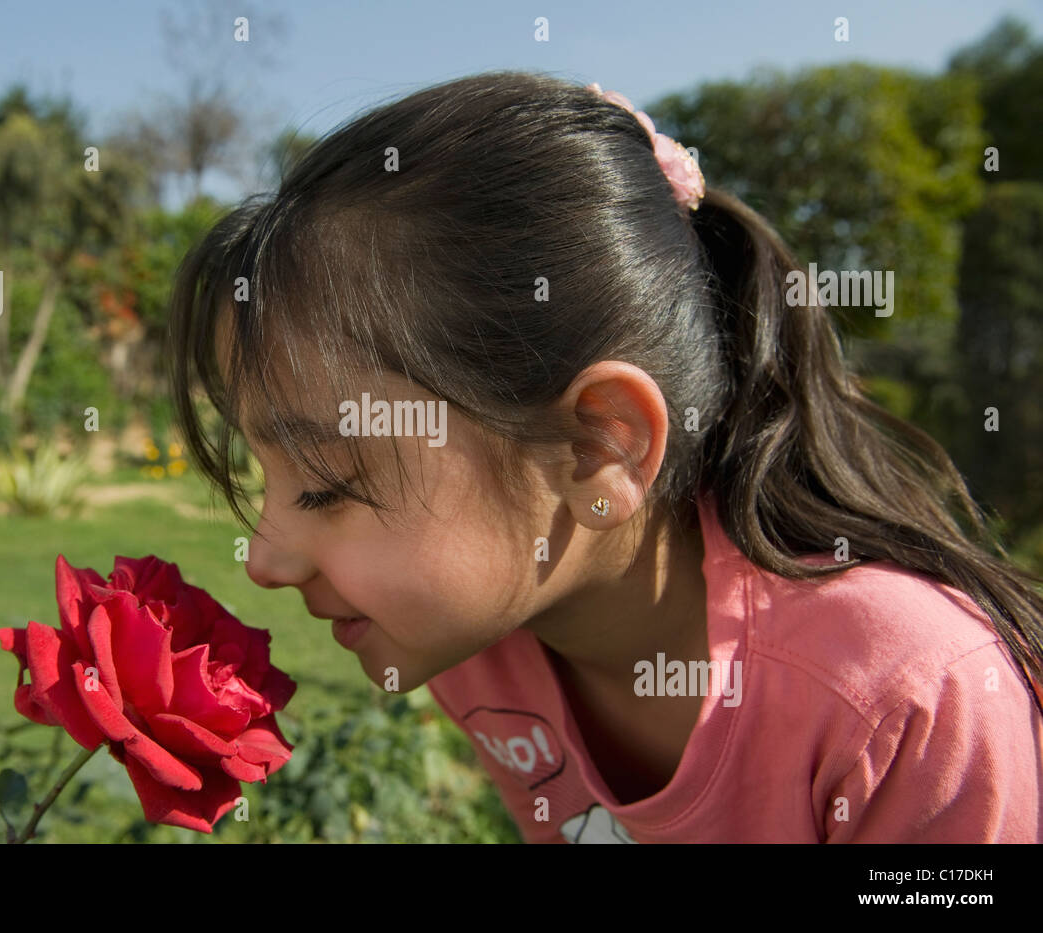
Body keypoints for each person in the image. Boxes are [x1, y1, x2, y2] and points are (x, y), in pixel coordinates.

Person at [166, 70, 1043, 842]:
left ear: (600, 444)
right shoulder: (482, 646)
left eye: (328, 484)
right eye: (262, 472)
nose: (266, 557)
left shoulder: (903, 704)